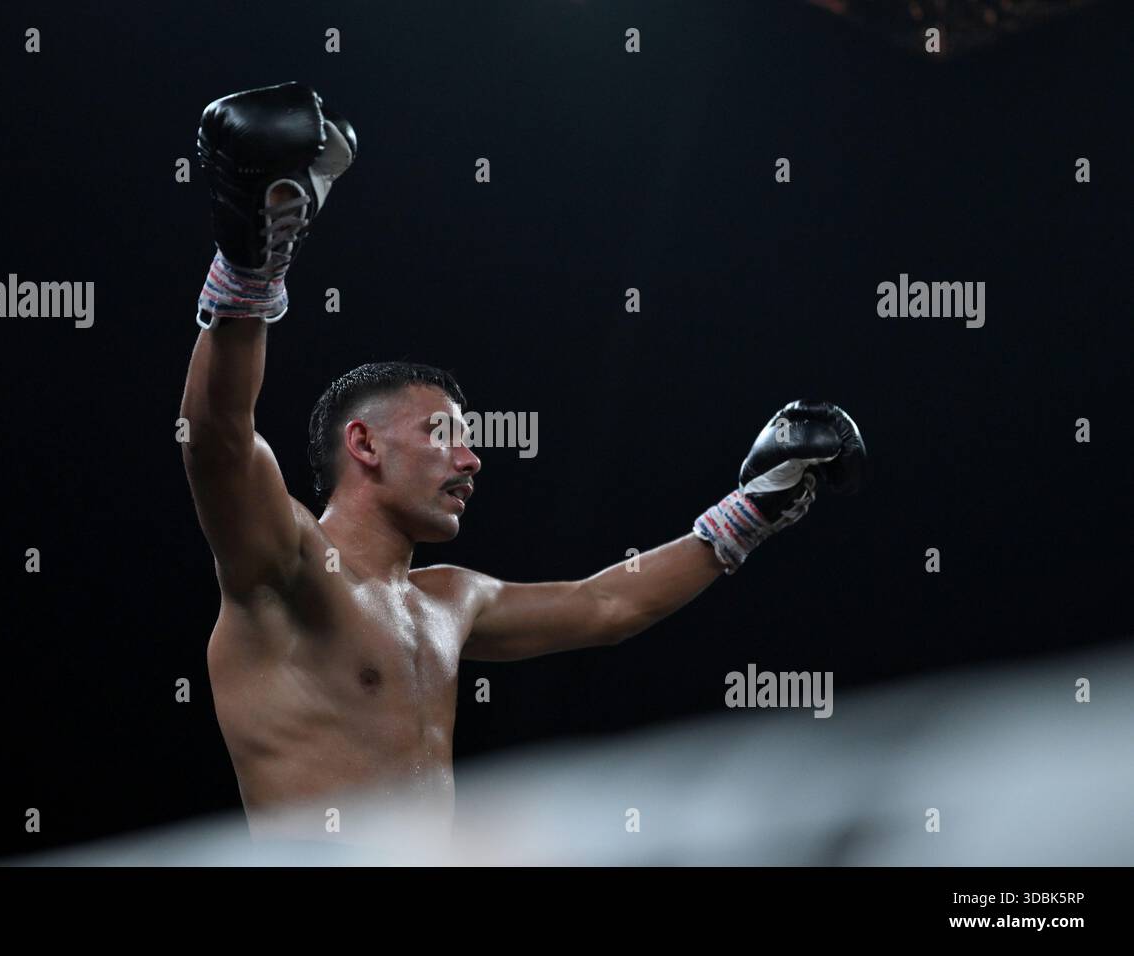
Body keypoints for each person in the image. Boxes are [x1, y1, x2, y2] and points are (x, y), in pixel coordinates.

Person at [179, 82, 867, 838]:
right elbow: (218, 439)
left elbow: (606, 606)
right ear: (364, 445)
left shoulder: (450, 600)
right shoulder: (285, 568)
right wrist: (250, 271)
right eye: (443, 434)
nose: (473, 460)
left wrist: (752, 509)